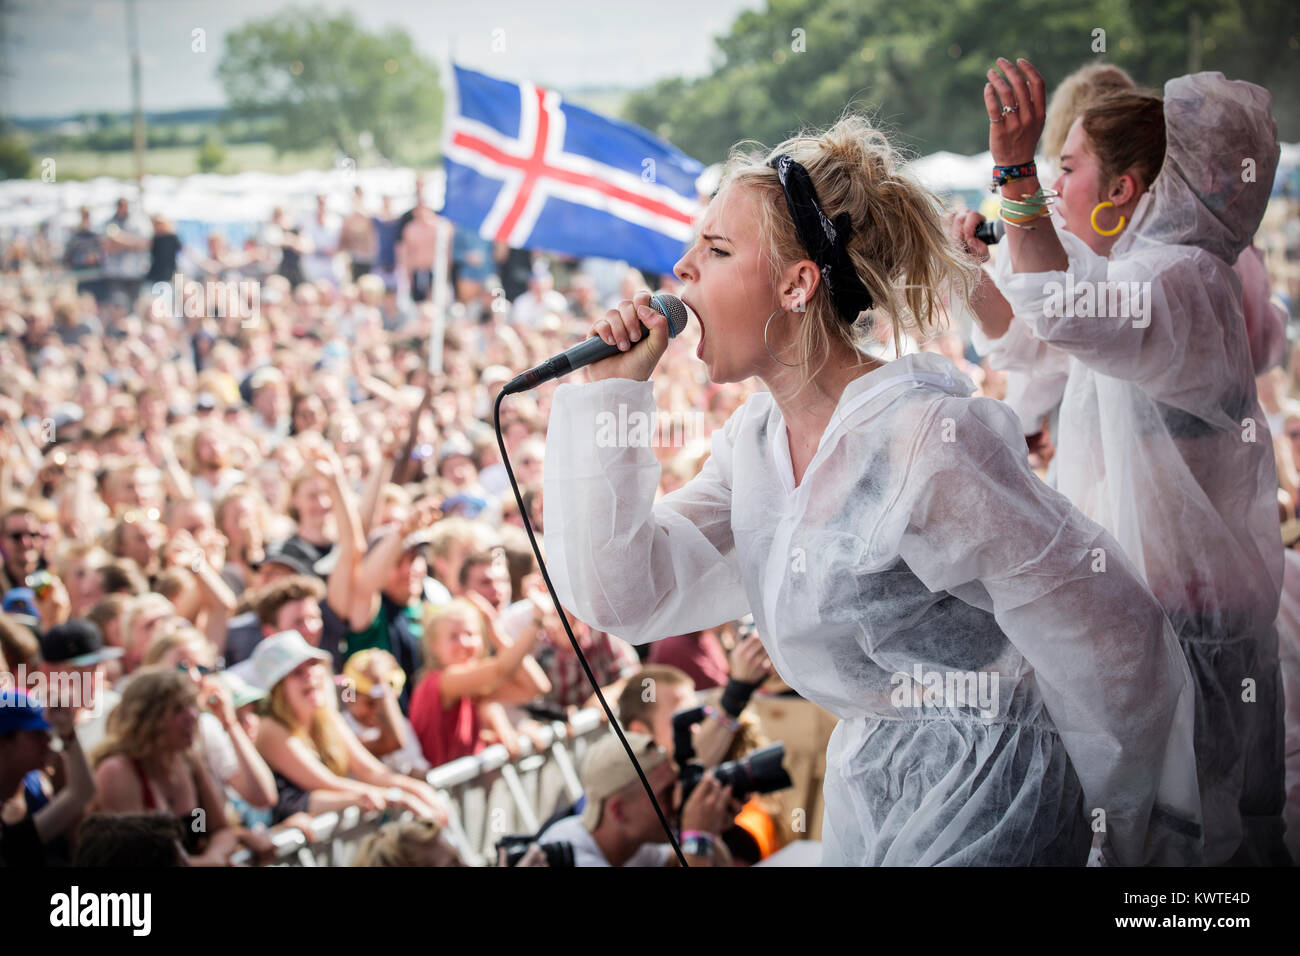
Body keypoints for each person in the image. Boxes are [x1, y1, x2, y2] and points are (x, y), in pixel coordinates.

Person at [542, 112, 1201, 865]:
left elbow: (1114, 635)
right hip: (881, 801)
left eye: (717, 249)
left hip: (999, 800)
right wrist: (608, 402)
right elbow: (628, 595)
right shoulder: (754, 449)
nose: (682, 268)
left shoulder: (923, 441)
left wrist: (1129, 844)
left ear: (797, 284)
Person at [955, 59, 1287, 865]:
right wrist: (969, 273)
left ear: (1123, 190)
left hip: (1189, 623)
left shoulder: (1182, 282)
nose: (1052, 192)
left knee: (1192, 852)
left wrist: (1012, 170)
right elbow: (1031, 333)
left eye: (1067, 170)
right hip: (1168, 611)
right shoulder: (1151, 275)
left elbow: (1064, 308)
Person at [239, 630, 445, 823]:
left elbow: (371, 771)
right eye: (296, 673)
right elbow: (326, 784)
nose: (310, 675)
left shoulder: (326, 716)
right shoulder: (270, 728)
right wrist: (400, 798)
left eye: (313, 664)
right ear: (278, 690)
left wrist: (418, 790)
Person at [536, 731, 736, 867]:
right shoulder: (571, 858)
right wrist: (697, 839)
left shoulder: (630, 838)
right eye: (665, 794)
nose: (675, 801)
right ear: (618, 811)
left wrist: (707, 825)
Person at [0, 690, 96, 867]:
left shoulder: (29, 787)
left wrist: (68, 735)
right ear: (4, 742)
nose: (47, 740)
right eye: (35, 734)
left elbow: (82, 792)